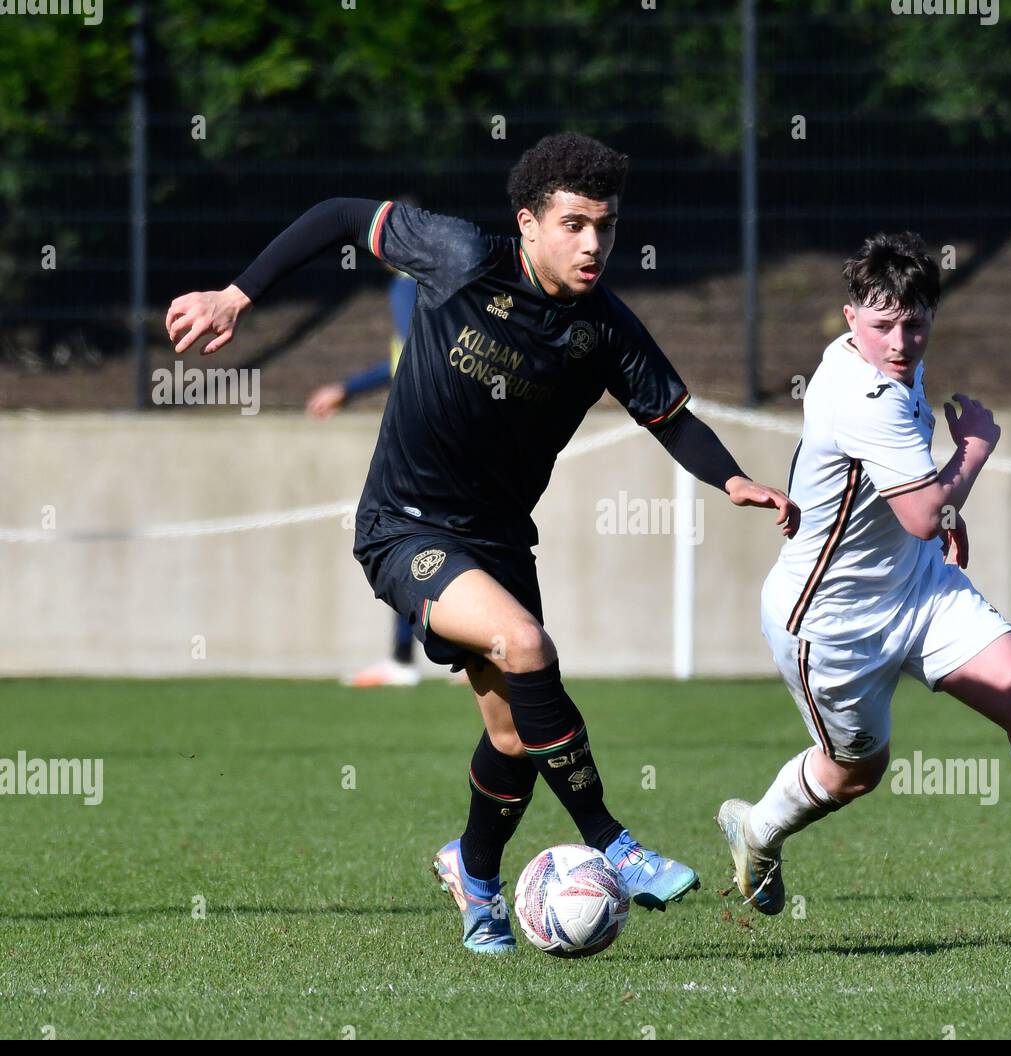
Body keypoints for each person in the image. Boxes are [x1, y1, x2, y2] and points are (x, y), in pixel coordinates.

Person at [165, 132, 799, 953]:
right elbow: (336, 217)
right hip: (405, 526)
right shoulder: (459, 254)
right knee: (526, 643)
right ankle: (614, 840)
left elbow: (671, 419)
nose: (592, 244)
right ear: (527, 223)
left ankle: (475, 873)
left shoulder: (604, 326)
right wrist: (235, 295)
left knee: (513, 735)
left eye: (605, 227)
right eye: (573, 224)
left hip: (498, 542)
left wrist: (733, 480)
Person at [717, 232, 1011, 936]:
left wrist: (943, 510)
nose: (900, 340)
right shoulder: (860, 392)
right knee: (854, 774)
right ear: (849, 315)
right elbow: (921, 510)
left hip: (918, 588)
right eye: (883, 323)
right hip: (832, 621)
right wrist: (974, 450)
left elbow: (913, 503)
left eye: (915, 322)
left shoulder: (897, 367)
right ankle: (758, 832)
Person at [305, 266, 425, 688]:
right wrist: (348, 388)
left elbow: (413, 355)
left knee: (401, 537)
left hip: (424, 435)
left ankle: (404, 658)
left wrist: (347, 389)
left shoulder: (408, 283)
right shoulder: (449, 282)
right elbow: (405, 358)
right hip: (454, 428)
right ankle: (489, 651)